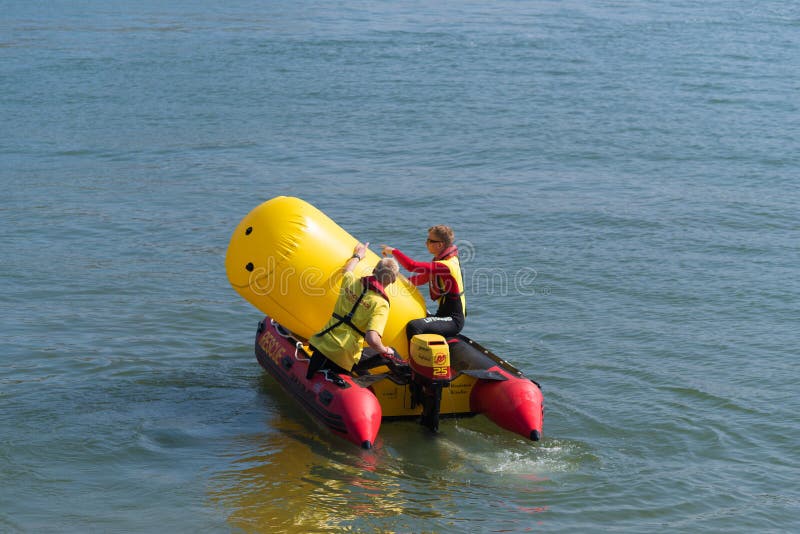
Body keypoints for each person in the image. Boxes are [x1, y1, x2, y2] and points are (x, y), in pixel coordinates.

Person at [306, 242, 401, 383]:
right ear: (393, 280)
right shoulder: (381, 304)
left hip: (323, 342)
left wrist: (358, 255)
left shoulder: (352, 282)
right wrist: (385, 350)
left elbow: (347, 270)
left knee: (311, 377)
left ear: (374, 270)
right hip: (344, 355)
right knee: (390, 354)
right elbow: (372, 340)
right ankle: (407, 385)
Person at [381, 225, 466, 340]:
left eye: (430, 241)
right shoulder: (441, 261)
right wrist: (398, 283)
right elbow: (422, 279)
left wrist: (393, 251)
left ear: (440, 245)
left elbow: (412, 266)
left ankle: (411, 358)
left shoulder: (446, 265)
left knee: (414, 326)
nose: (426, 243)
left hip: (453, 319)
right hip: (443, 314)